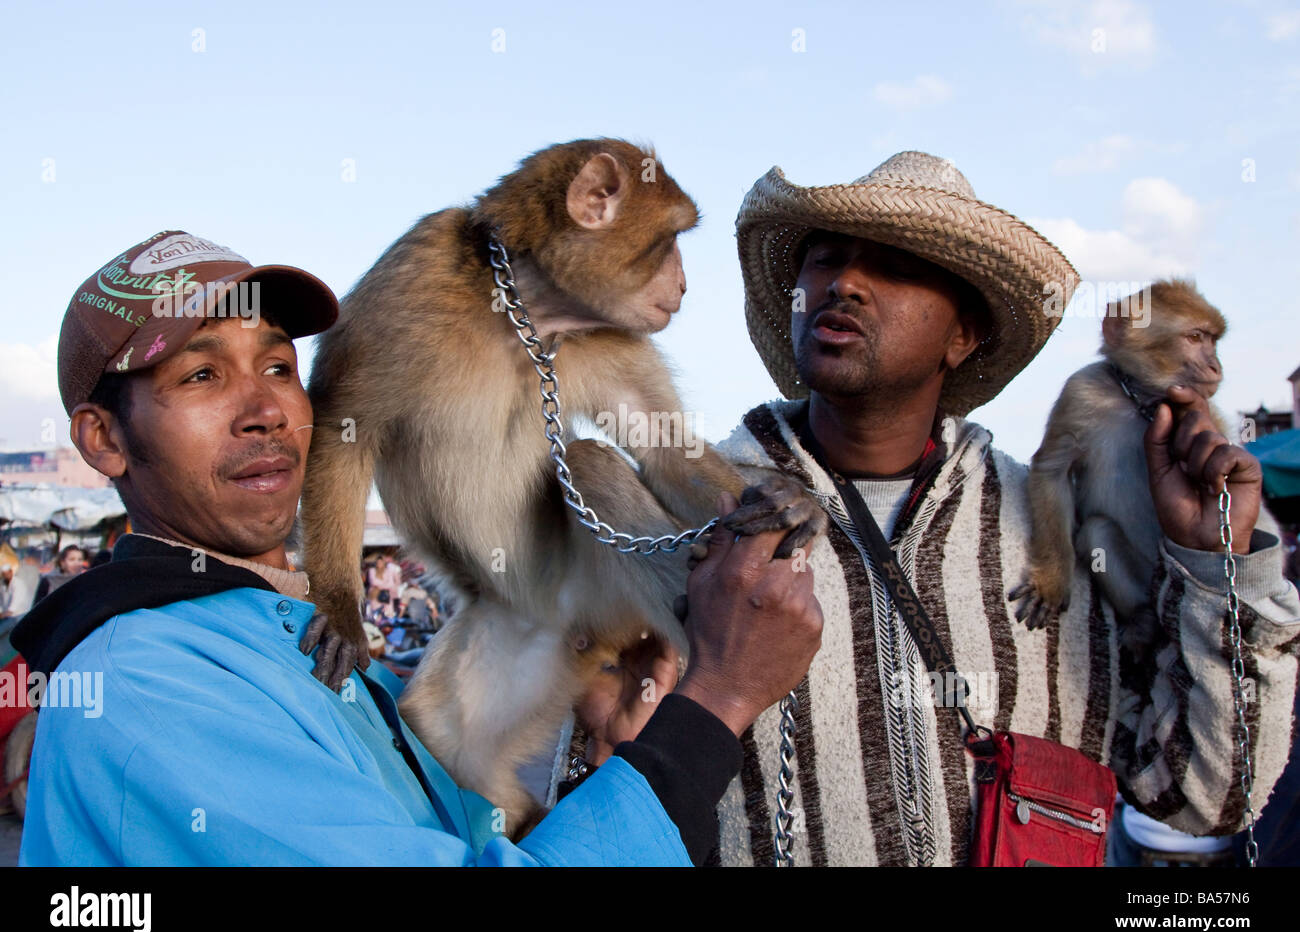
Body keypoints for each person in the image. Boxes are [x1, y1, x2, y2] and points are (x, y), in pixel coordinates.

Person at [13, 229, 822, 866]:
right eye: (200, 377)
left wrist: (608, 765)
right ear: (104, 439)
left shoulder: (271, 635)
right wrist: (714, 706)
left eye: (278, 365)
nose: (266, 409)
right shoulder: (155, 690)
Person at [705, 152, 1300, 866]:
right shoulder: (698, 515)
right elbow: (587, 783)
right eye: (826, 257)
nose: (846, 283)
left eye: (895, 264)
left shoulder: (1060, 533)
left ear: (964, 336)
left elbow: (1207, 799)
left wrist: (1217, 566)